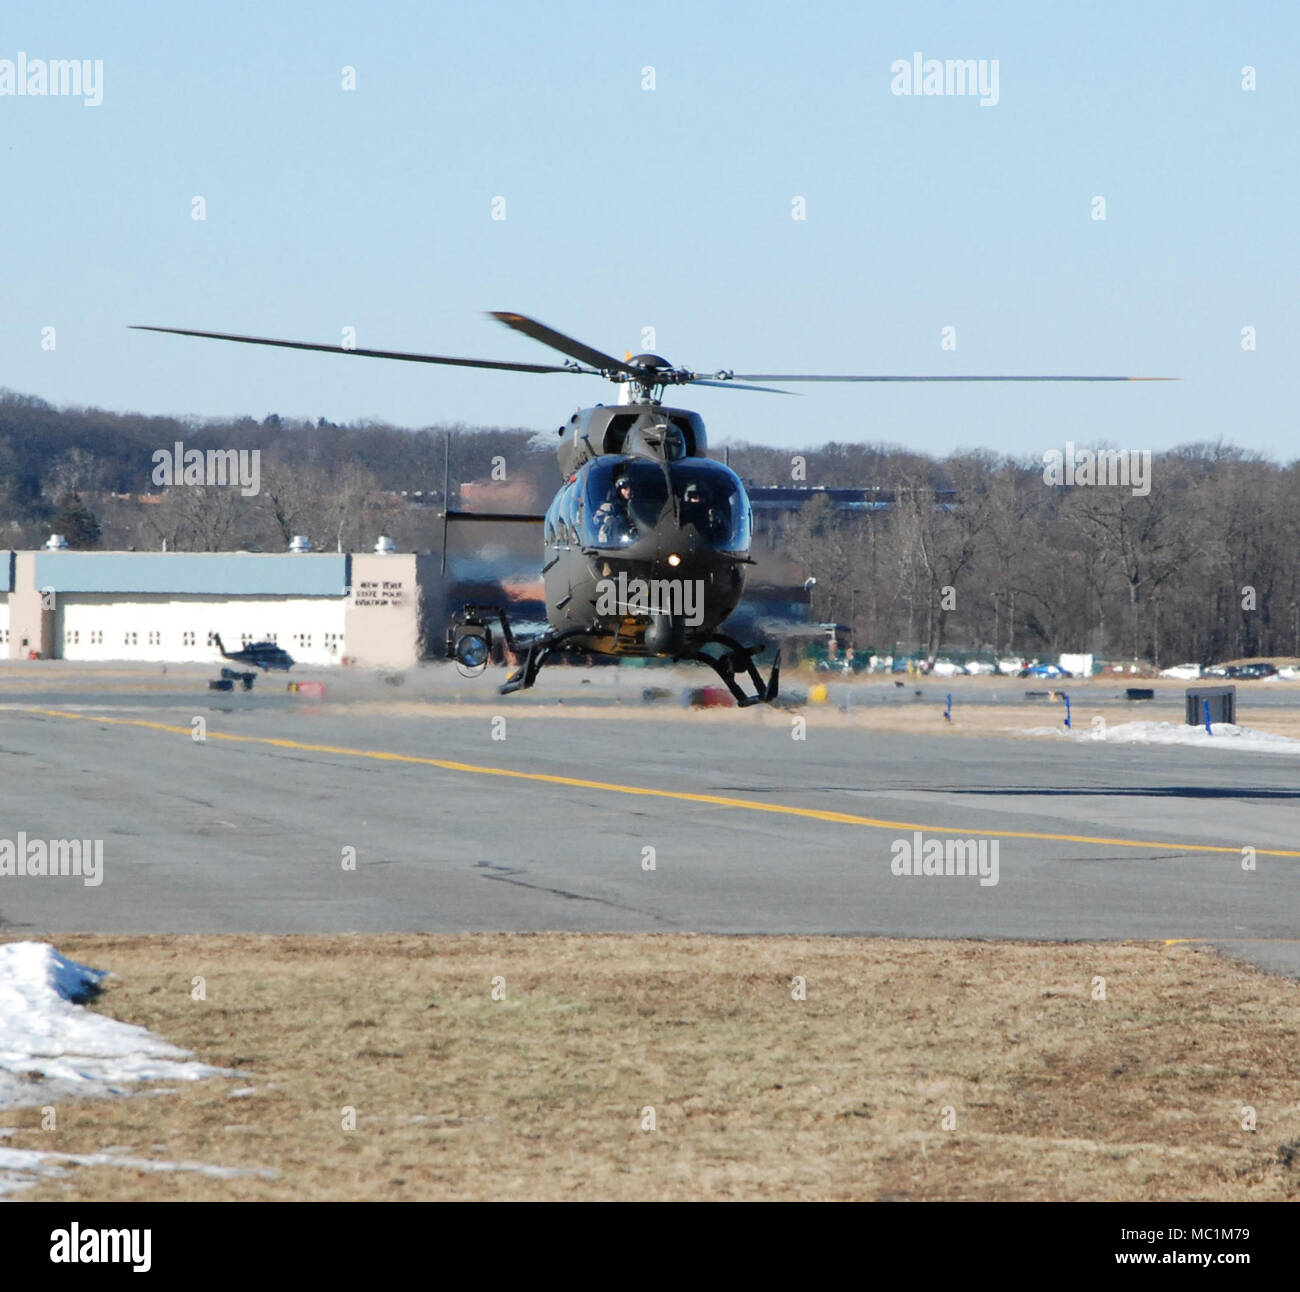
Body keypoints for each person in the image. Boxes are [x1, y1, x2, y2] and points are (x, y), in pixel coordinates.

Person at [593, 474, 636, 544]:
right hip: (614, 542)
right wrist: (607, 518)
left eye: (630, 488)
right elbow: (596, 520)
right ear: (618, 490)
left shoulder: (636, 505)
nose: (628, 491)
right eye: (625, 488)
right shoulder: (609, 506)